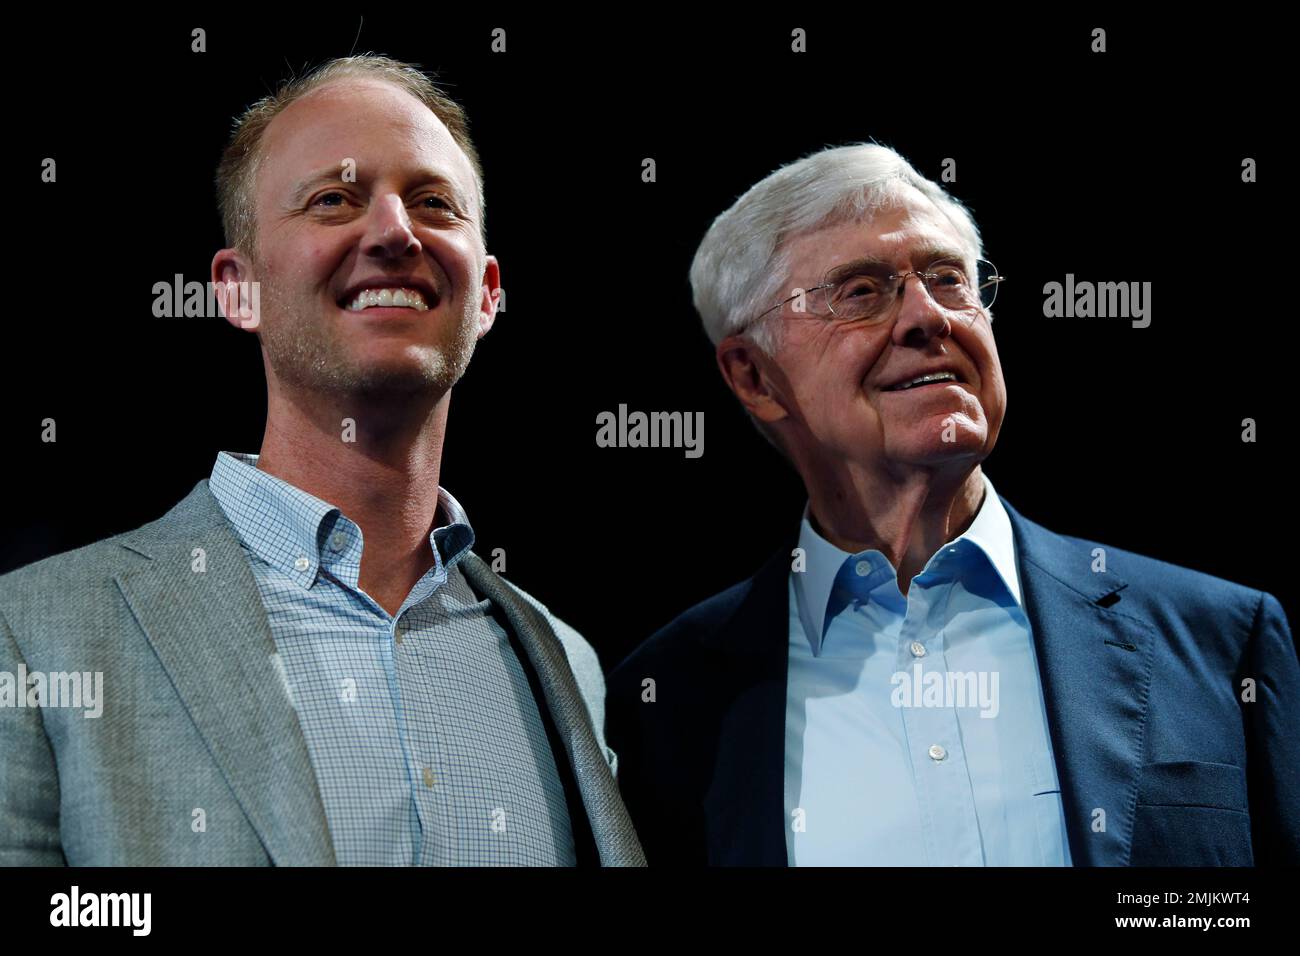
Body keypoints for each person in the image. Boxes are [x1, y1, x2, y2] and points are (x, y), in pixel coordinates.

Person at [0, 55, 643, 867]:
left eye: (433, 202)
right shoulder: (30, 632)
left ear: (485, 295)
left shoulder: (564, 662)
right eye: (333, 199)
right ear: (238, 291)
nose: (394, 232)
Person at [605, 143, 1298, 866]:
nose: (926, 317)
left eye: (947, 279)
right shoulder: (665, 703)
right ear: (753, 377)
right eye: (861, 292)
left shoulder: (1219, 637)